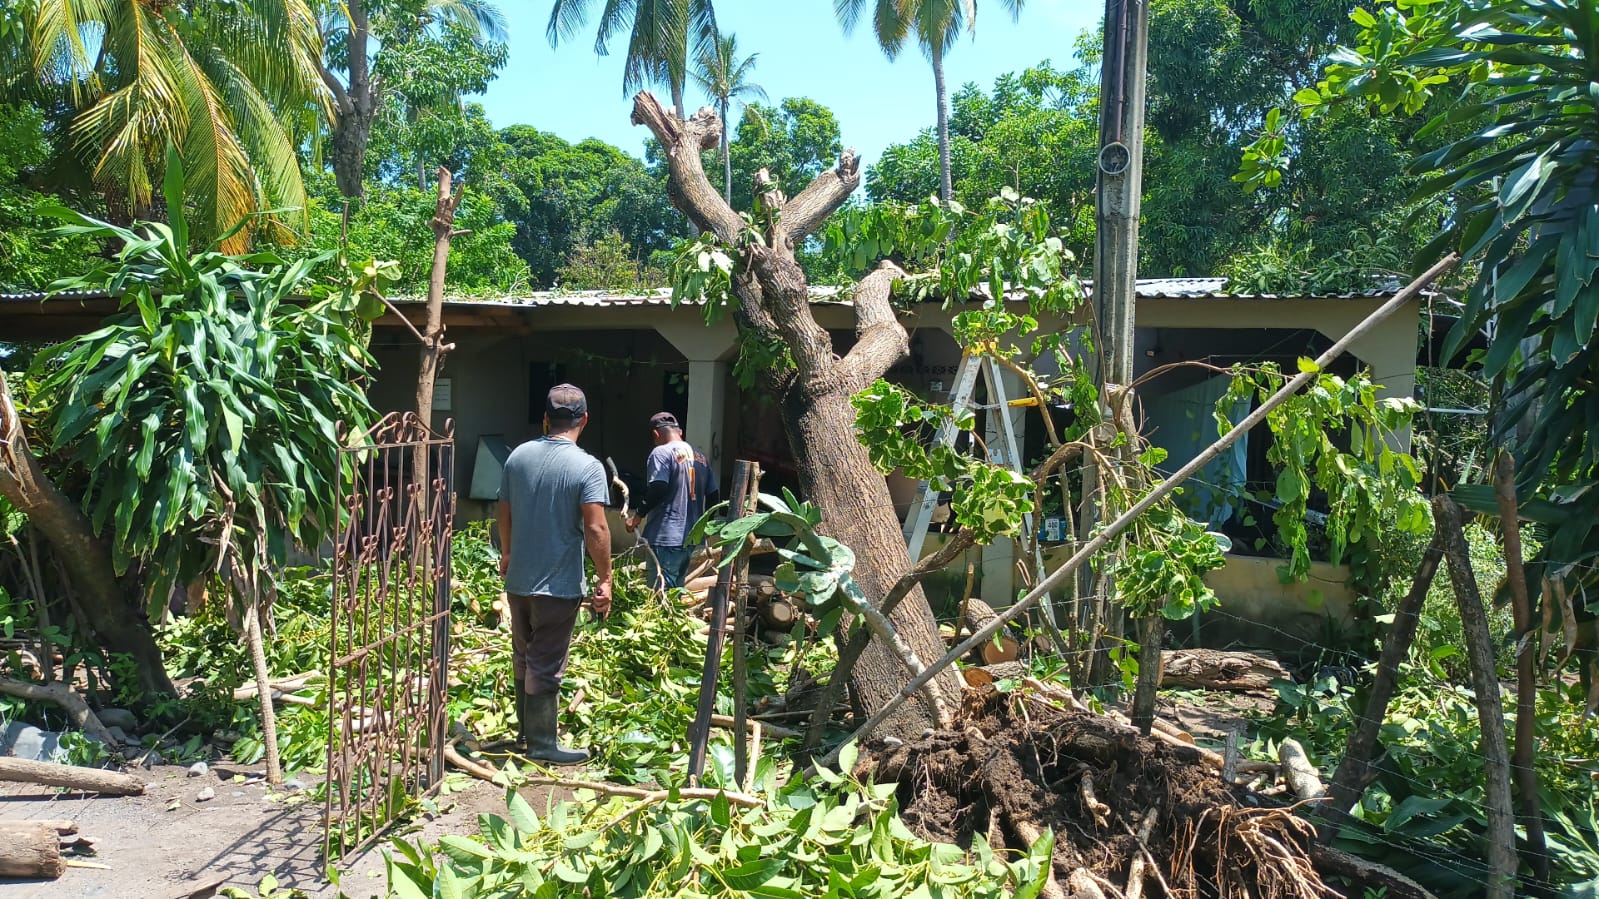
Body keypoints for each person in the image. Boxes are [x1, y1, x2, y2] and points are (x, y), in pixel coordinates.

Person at [497, 384, 612, 764]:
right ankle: (543, 744)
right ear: (585, 420)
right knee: (545, 661)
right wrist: (605, 577)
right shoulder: (587, 466)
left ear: (545, 418)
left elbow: (504, 510)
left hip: (519, 580)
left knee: (523, 655)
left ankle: (525, 732)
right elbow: (596, 529)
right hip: (558, 584)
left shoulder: (517, 457)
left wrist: (508, 552)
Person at [626, 412, 717, 591]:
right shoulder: (701, 457)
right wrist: (706, 526)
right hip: (690, 538)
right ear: (680, 432)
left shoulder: (660, 453)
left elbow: (658, 487)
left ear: (656, 434)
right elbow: (714, 495)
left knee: (659, 595)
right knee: (676, 592)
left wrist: (637, 515)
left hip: (666, 537)